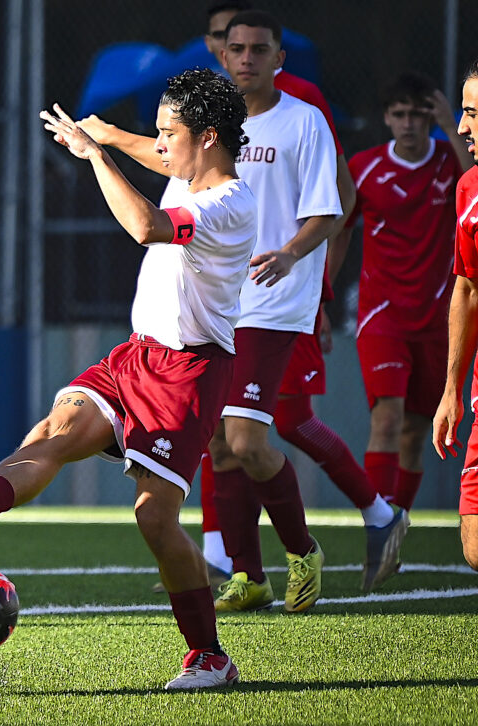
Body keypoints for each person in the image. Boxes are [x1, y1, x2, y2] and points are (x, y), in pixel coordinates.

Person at [0, 68, 255, 689]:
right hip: (135, 357)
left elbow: (146, 227)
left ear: (207, 138)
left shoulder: (232, 204)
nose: (158, 144)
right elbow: (155, 160)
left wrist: (97, 155)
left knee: (155, 519)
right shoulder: (192, 173)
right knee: (53, 431)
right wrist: (99, 135)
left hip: (189, 372)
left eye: (168, 134)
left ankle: (210, 655)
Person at [201, 0, 404, 593]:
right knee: (226, 434)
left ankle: (320, 542)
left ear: (278, 57)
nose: (242, 57)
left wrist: (309, 273)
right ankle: (242, 568)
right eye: (231, 46)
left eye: (256, 48)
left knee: (261, 428)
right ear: (218, 50)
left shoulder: (304, 113)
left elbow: (335, 201)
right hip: (220, 299)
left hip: (280, 299)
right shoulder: (209, 120)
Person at [342, 72, 470, 522]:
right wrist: (321, 295)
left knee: (417, 432)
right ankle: (379, 528)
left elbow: (474, 185)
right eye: (400, 115)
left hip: (438, 316)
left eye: (419, 114)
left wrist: (450, 128)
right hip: (382, 315)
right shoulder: (365, 167)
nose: (410, 124)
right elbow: (338, 230)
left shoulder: (449, 161)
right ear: (387, 118)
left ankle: (397, 523)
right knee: (388, 419)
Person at [433, 59, 478, 572]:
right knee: (472, 546)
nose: (462, 126)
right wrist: (451, 391)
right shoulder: (469, 189)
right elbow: (466, 288)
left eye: (472, 113)